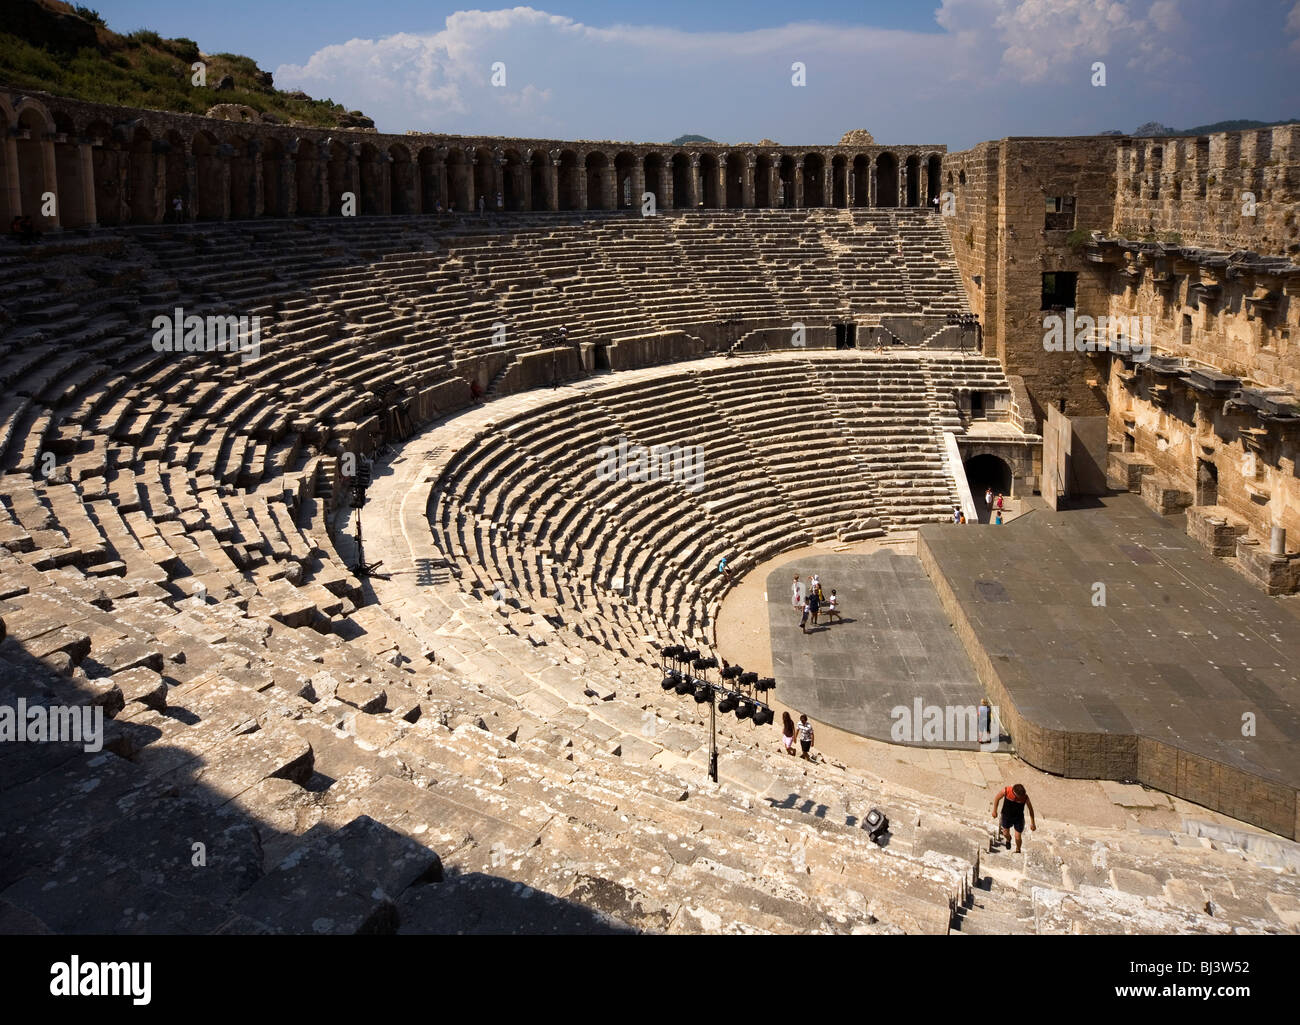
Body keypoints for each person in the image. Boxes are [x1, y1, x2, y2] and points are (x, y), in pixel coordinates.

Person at [992, 783, 1036, 852]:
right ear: (1014, 792)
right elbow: (997, 798)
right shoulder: (1006, 791)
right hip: (1006, 815)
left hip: (1018, 818)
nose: (1021, 798)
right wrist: (994, 810)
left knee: (1018, 837)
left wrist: (1033, 823)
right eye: (1019, 796)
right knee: (1005, 833)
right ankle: (1008, 839)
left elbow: (1031, 809)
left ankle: (1018, 849)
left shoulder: (1025, 797)